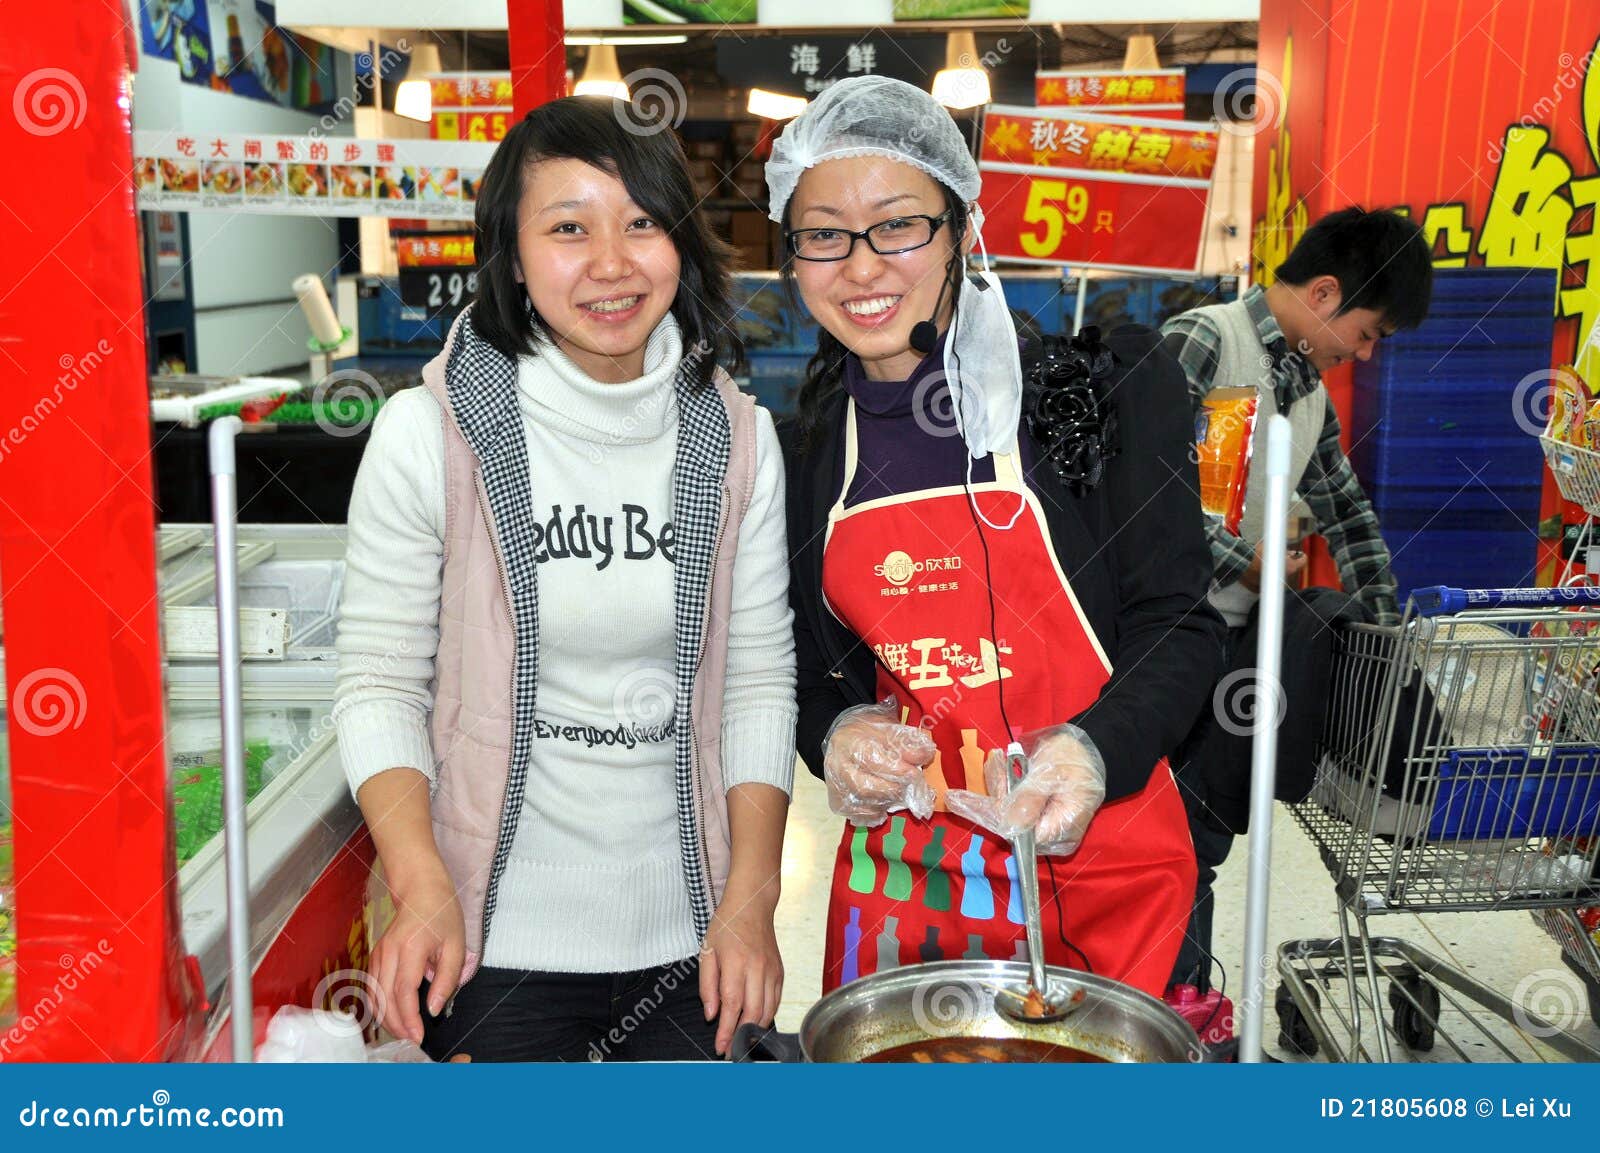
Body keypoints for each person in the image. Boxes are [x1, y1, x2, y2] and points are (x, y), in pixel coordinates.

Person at [333, 96, 797, 1061]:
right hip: (488, 938)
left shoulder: (737, 439)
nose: (612, 263)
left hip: (690, 940)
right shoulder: (432, 435)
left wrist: (752, 902)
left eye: (642, 223)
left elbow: (758, 680)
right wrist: (420, 880)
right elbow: (379, 678)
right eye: (569, 228)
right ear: (510, 255)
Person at [771, 76, 1226, 999]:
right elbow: (801, 665)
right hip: (908, 892)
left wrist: (1094, 749)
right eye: (823, 233)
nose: (860, 267)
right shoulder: (808, 447)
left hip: (1107, 865)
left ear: (961, 229)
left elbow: (1180, 622)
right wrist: (836, 733)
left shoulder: (1100, 396)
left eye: (897, 224)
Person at [1160, 205, 1435, 992]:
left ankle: (1187, 1005)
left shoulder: (1307, 389)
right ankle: (1170, 1011)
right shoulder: (1209, 339)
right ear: (1323, 292)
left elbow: (1346, 513)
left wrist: (1384, 628)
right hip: (1157, 636)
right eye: (1370, 330)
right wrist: (1246, 563)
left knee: (1200, 832)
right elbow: (1145, 489)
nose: (1365, 351)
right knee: (1167, 835)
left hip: (1236, 648)